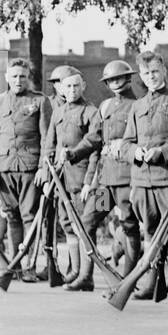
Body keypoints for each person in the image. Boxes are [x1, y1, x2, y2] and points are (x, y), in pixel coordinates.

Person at [120, 52, 168, 299]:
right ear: (140, 76)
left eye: (154, 71)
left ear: (163, 70)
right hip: (142, 180)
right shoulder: (137, 106)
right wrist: (136, 152)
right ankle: (154, 283)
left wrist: (162, 153)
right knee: (150, 231)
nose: (151, 77)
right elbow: (126, 143)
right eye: (146, 73)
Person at [0, 57, 50, 282]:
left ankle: (28, 265)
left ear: (28, 77)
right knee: (11, 217)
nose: (18, 80)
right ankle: (13, 264)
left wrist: (43, 167)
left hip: (30, 167)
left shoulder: (40, 101)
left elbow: (46, 138)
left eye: (22, 76)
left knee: (29, 216)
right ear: (6, 78)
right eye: (14, 76)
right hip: (4, 168)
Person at [41, 66, 103, 290]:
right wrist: (48, 177)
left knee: (84, 226)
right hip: (61, 178)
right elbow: (49, 145)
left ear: (83, 86)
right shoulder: (58, 112)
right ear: (61, 89)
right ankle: (75, 271)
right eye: (68, 86)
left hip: (80, 178)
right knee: (68, 225)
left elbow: (96, 149)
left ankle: (86, 276)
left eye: (76, 85)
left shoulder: (91, 112)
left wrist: (89, 181)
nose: (73, 90)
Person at [81, 59, 141, 279]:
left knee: (129, 225)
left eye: (119, 78)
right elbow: (94, 140)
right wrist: (74, 153)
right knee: (88, 221)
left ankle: (128, 278)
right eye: (110, 80)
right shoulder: (105, 106)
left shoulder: (138, 105)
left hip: (127, 178)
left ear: (128, 78)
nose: (115, 83)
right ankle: (93, 274)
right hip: (106, 180)